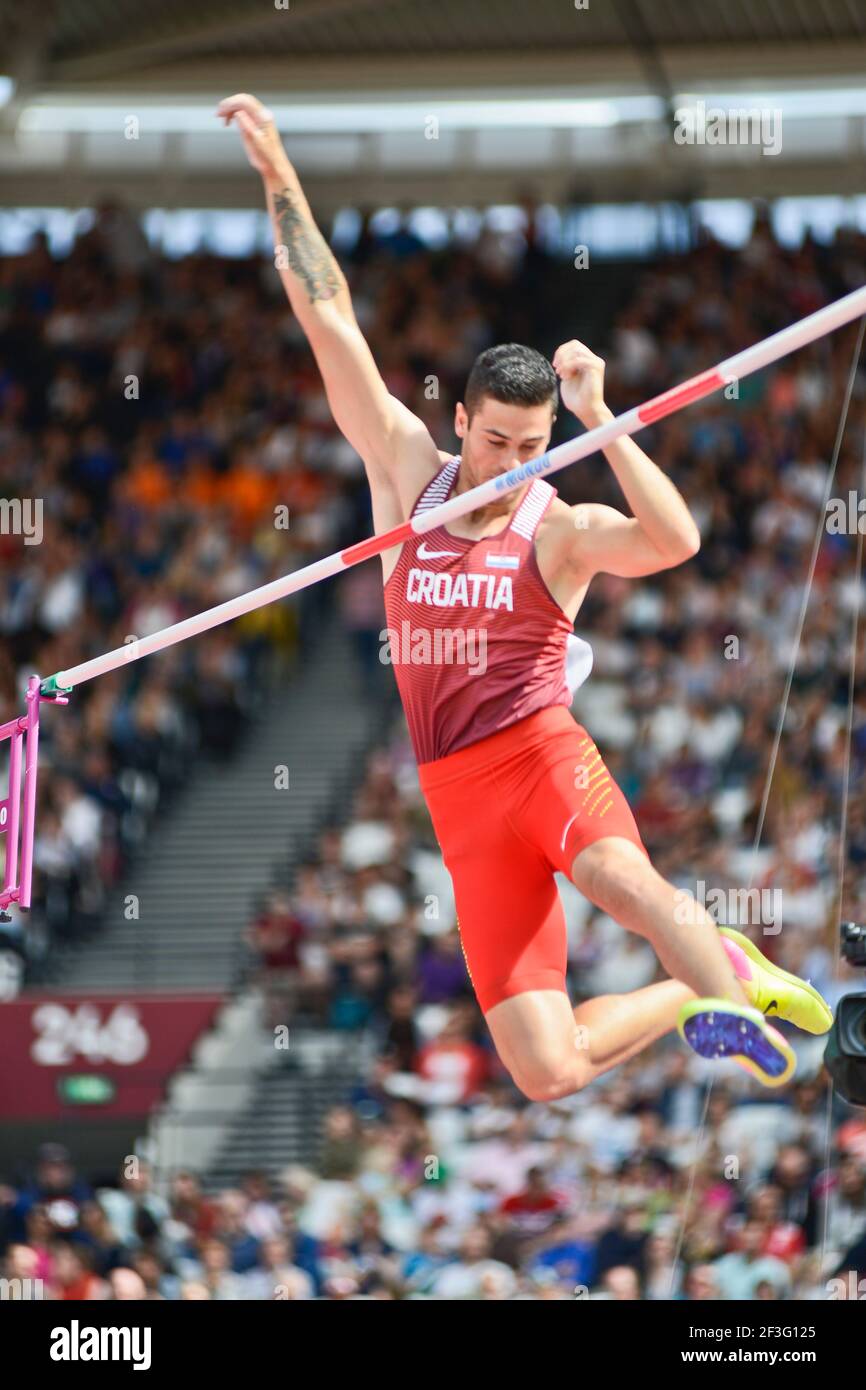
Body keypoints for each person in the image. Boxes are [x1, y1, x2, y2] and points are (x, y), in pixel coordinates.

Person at [218, 93, 833, 1100]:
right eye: (493, 440)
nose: (508, 461)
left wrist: (601, 416)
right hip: (456, 799)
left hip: (538, 754)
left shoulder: (557, 526)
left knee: (621, 884)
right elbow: (324, 313)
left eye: (531, 446)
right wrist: (277, 166)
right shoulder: (402, 470)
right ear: (458, 420)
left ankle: (717, 987)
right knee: (546, 1069)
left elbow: (675, 539)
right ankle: (699, 986)